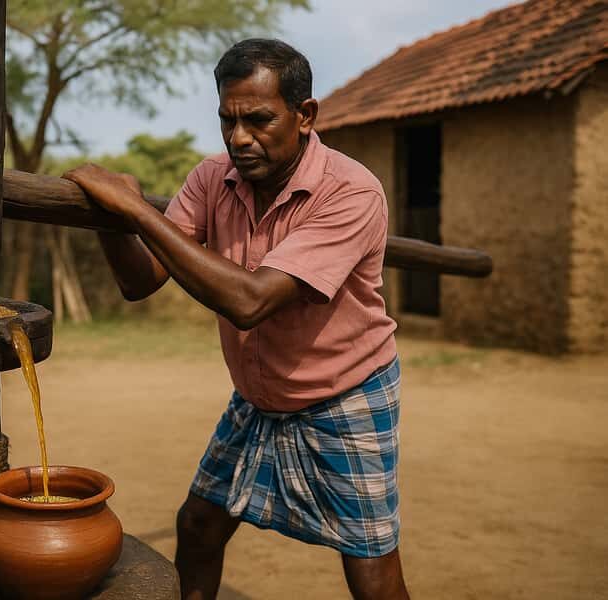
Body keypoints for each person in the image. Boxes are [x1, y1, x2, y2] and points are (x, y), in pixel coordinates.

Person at [63, 38, 408, 600]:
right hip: (259, 397)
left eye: (259, 120)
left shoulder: (351, 192)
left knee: (371, 570)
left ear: (305, 116)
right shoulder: (211, 178)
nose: (240, 137)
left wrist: (134, 210)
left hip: (345, 392)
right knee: (198, 525)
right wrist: (113, 219)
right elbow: (139, 280)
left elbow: (250, 300)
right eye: (228, 119)